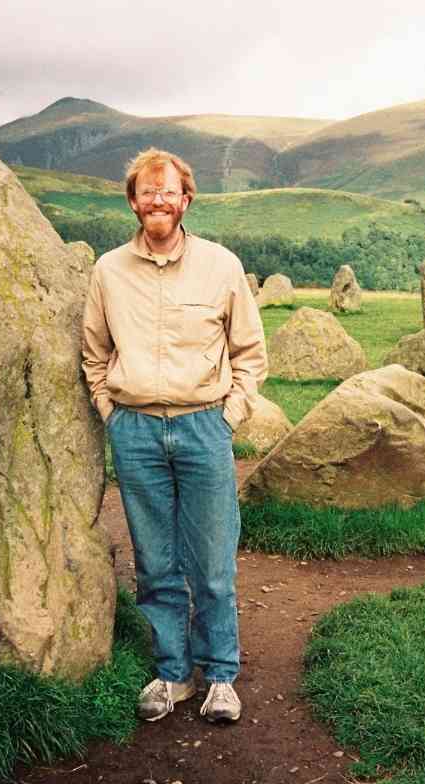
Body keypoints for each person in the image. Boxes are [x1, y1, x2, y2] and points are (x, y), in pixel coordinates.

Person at [81, 148, 267, 723]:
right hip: (135, 431)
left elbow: (250, 352)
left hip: (203, 427)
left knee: (211, 561)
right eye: (146, 191)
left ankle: (219, 676)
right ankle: (171, 673)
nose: (157, 200)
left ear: (186, 199)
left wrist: (228, 416)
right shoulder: (109, 270)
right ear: (133, 201)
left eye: (168, 191)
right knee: (155, 560)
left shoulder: (220, 265)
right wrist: (110, 410)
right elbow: (94, 353)